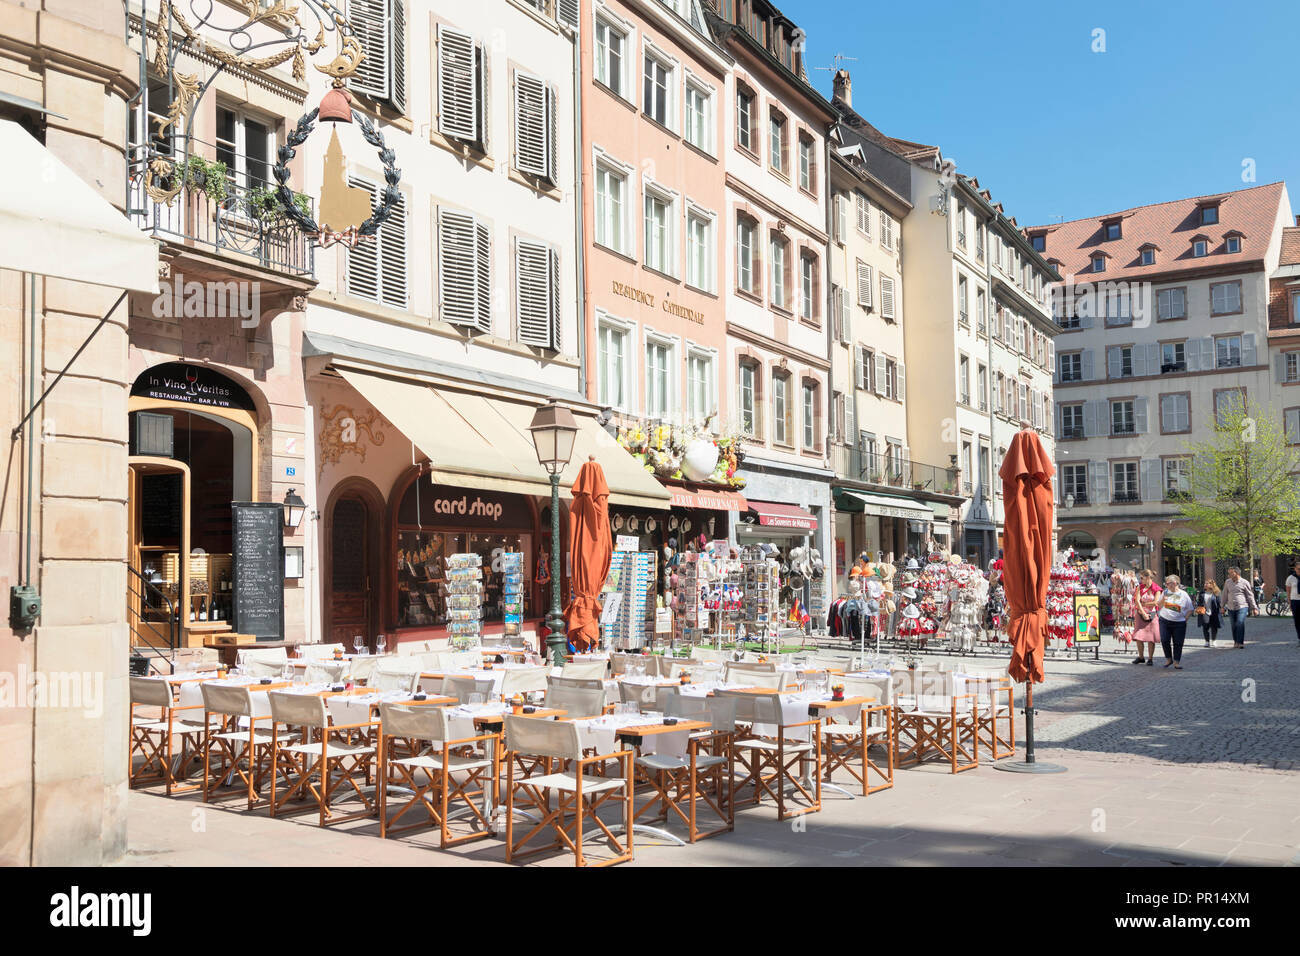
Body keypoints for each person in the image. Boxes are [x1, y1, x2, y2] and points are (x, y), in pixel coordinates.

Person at [1158, 574, 1195, 669]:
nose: (1167, 585)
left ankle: (1176, 661)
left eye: (1169, 583)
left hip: (1179, 623)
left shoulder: (1183, 594)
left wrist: (1185, 619)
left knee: (1178, 642)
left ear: (1176, 583)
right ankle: (1169, 659)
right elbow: (1159, 605)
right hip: (1164, 620)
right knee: (1164, 640)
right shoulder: (1165, 592)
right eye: (1166, 583)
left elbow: (1190, 608)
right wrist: (1163, 599)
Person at [1222, 566, 1259, 648]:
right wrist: (1222, 606)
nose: (1229, 574)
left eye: (1231, 573)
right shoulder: (1228, 582)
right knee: (1233, 625)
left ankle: (1240, 642)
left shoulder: (1245, 582)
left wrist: (1254, 608)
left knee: (1239, 622)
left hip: (1242, 606)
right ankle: (1236, 641)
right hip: (1231, 607)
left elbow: (1250, 596)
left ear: (1237, 573)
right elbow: (1224, 594)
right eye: (1229, 573)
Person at [1130, 569, 1161, 665]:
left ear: (1148, 577)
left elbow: (1156, 602)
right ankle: (1141, 657)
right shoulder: (1140, 587)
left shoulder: (1156, 588)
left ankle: (1150, 658)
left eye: (1142, 578)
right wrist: (1143, 612)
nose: (1140, 579)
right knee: (1139, 636)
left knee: (1151, 638)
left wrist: (1145, 603)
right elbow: (1137, 601)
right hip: (1140, 614)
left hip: (1152, 615)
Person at [1196, 580, 1221, 647]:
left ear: (1211, 584)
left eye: (1207, 583)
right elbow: (1199, 602)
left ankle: (1214, 640)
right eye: (1205, 583)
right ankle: (1207, 641)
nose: (1205, 584)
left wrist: (1221, 609)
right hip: (1204, 612)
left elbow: (1219, 602)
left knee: (1214, 627)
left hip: (1214, 612)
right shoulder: (1202, 593)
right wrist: (1199, 606)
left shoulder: (1216, 593)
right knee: (1205, 626)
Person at [1287, 559, 1300, 645]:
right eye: (1298, 568)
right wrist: (1290, 603)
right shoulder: (1290, 578)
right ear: (1295, 569)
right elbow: (1288, 592)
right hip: (1295, 601)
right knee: (1297, 621)